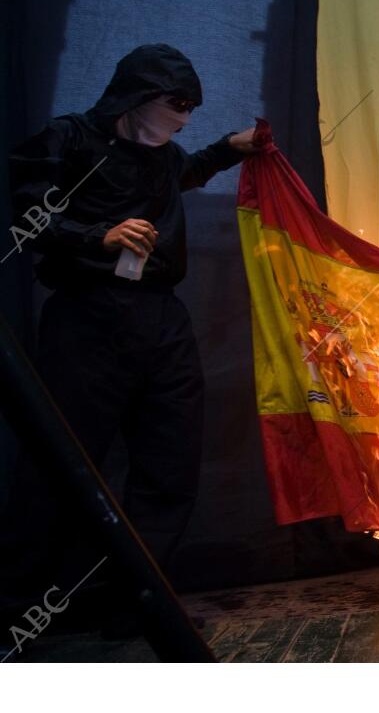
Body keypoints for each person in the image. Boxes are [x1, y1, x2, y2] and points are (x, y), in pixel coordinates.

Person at [5, 44, 257, 623]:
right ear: (138, 97)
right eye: (175, 105)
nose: (184, 119)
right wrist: (96, 235)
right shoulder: (68, 140)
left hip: (160, 320)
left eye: (192, 108)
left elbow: (185, 171)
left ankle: (132, 600)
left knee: (171, 457)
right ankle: (17, 606)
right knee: (62, 461)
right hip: (88, 321)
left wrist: (227, 150)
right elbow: (26, 214)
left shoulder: (163, 156)